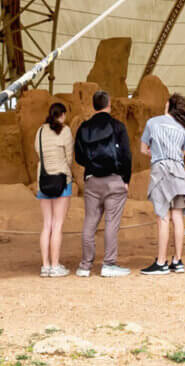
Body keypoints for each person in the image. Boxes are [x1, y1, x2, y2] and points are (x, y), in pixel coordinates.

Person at [74, 90, 132, 278]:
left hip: (92, 180)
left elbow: (79, 156)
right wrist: (126, 179)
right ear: (109, 105)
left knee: (90, 222)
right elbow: (126, 155)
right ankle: (109, 264)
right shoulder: (118, 126)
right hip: (114, 181)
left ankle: (85, 266)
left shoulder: (84, 127)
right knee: (111, 223)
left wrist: (91, 166)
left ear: (93, 105)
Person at [140, 94, 185, 276]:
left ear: (169, 105)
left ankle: (161, 262)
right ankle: (177, 261)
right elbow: (182, 154)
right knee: (177, 216)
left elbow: (143, 149)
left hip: (161, 172)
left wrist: (155, 153)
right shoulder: (183, 129)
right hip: (178, 173)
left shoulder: (152, 122)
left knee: (163, 216)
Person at [34, 101, 75, 277]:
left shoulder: (40, 131)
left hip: (43, 180)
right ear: (63, 115)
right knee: (57, 225)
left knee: (47, 225)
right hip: (61, 180)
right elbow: (69, 156)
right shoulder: (65, 131)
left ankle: (45, 266)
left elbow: (38, 152)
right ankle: (55, 265)